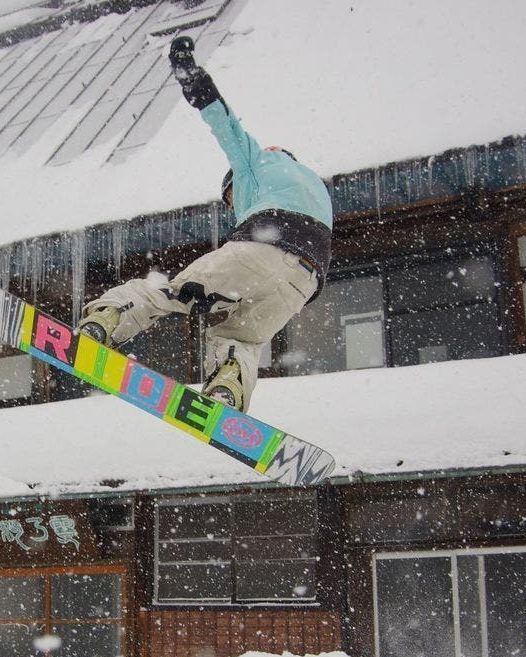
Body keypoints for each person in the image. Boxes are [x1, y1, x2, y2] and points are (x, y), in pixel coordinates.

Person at [76, 35, 333, 412]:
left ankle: (103, 322)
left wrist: (191, 76)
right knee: (241, 339)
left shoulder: (256, 161)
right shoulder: (316, 185)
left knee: (169, 294)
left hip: (263, 246)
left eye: (231, 200)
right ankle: (227, 391)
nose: (233, 208)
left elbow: (223, 121)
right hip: (303, 282)